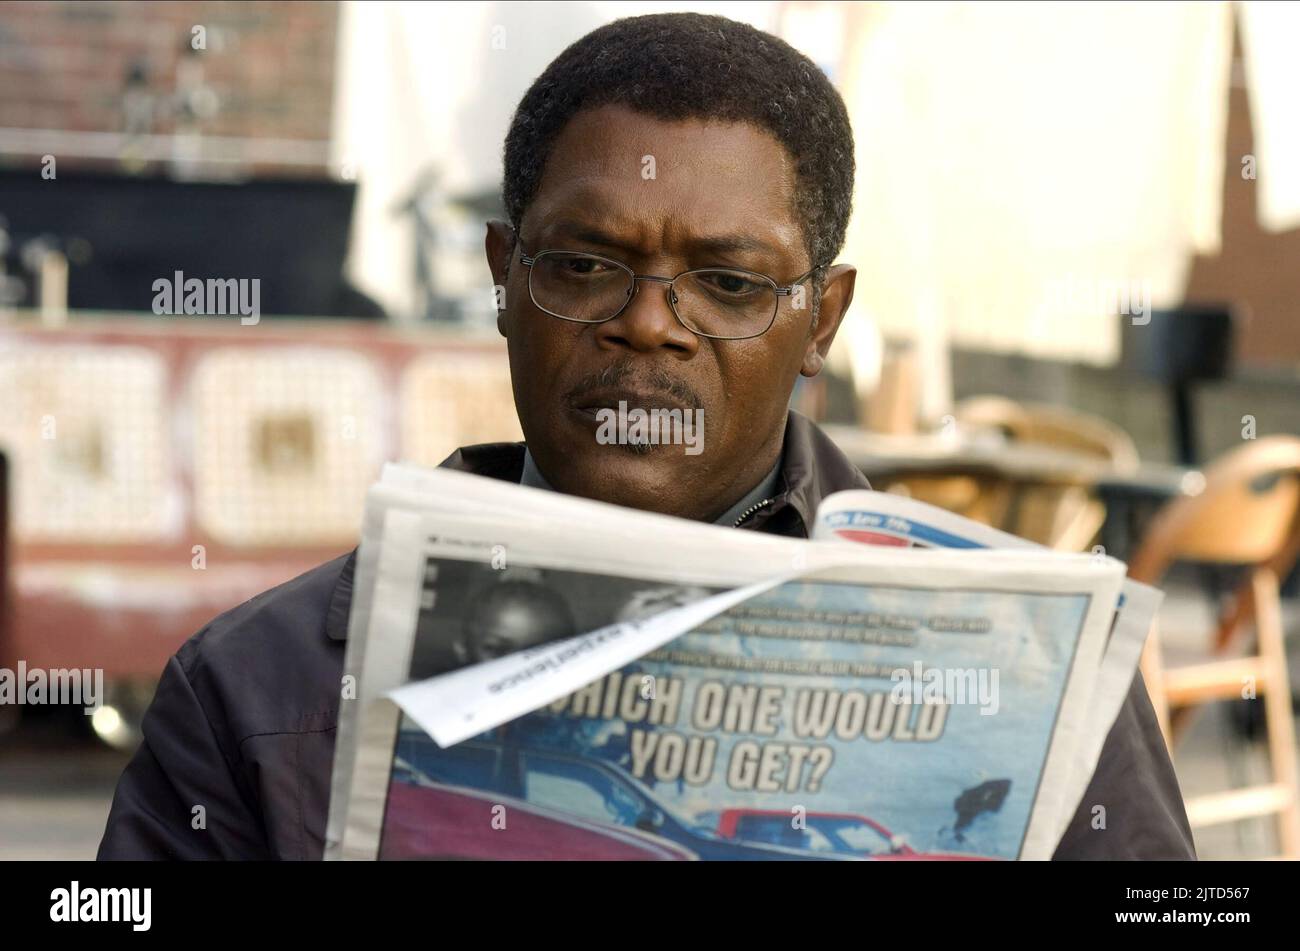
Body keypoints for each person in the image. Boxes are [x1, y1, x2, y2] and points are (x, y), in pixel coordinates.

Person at [98, 12, 1194, 860]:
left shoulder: (1036, 672)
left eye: (727, 283)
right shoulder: (253, 690)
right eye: (584, 265)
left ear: (822, 318)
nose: (648, 324)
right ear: (503, 278)